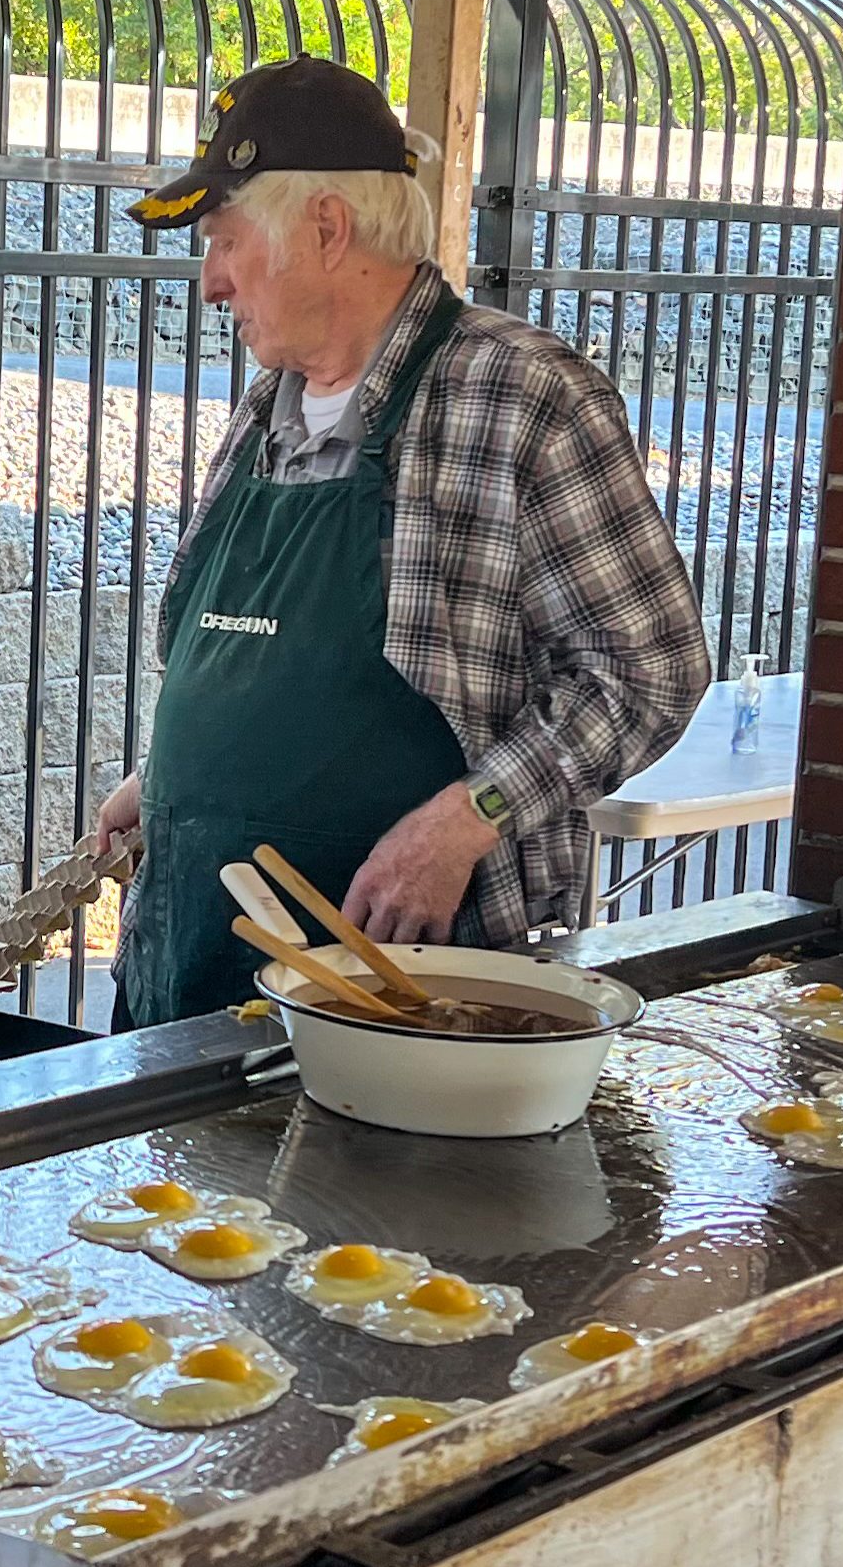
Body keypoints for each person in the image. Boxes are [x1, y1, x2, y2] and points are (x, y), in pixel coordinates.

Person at [98, 57, 708, 1027]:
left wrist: (471, 818)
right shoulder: (267, 410)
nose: (210, 284)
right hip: (192, 969)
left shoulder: (524, 399)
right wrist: (170, 776)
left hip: (411, 1000)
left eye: (223, 241)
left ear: (327, 230)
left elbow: (649, 671)